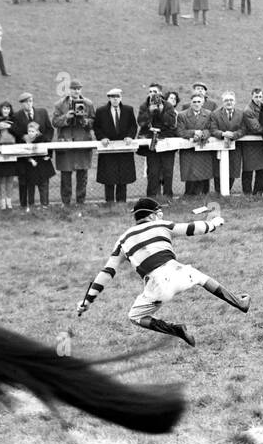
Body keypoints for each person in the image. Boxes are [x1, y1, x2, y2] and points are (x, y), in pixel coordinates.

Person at [76, 197, 248, 347]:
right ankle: (239, 303)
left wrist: (88, 300)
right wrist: (214, 222)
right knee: (199, 277)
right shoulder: (161, 224)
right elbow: (193, 228)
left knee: (135, 316)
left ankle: (176, 329)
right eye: (160, 213)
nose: (162, 217)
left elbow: (107, 272)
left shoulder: (123, 240)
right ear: (151, 215)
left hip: (156, 287)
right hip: (177, 273)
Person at [53, 78, 95, 206]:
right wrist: (66, 117)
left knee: (82, 175)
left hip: (82, 142)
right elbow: (54, 122)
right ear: (69, 90)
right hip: (66, 143)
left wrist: (84, 120)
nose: (76, 91)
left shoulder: (88, 104)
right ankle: (66, 203)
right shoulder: (60, 104)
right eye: (74, 89)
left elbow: (93, 122)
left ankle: (80, 202)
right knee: (66, 175)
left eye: (78, 89)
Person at [94, 87, 138, 205]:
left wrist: (130, 136)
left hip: (124, 150)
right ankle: (109, 203)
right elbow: (96, 127)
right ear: (109, 98)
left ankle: (121, 203)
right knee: (109, 178)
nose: (115, 99)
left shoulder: (128, 110)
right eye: (113, 97)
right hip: (108, 150)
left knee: (123, 178)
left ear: (121, 97)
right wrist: (102, 137)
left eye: (117, 96)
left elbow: (133, 126)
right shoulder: (101, 111)